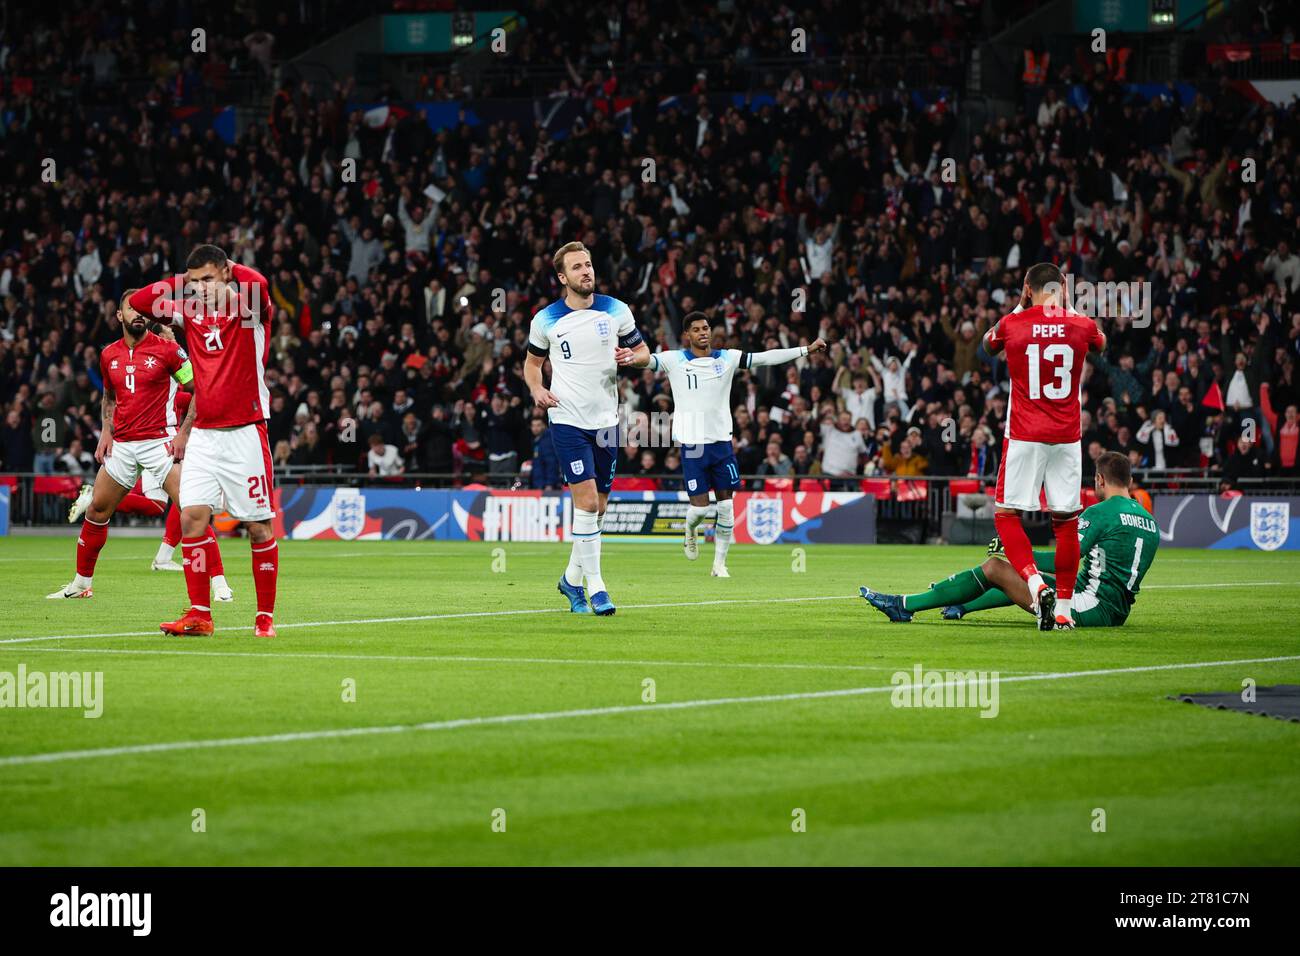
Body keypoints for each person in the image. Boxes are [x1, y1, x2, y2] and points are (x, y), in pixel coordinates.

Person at [129, 246, 279, 637]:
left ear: (228, 274)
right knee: (192, 518)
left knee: (258, 526)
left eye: (208, 279)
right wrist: (185, 282)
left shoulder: (249, 311)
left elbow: (260, 284)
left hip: (245, 430)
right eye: (194, 281)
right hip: (205, 435)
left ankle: (264, 619)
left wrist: (229, 271)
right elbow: (141, 301)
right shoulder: (191, 313)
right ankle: (199, 615)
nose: (201, 288)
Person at [46, 292, 231, 601]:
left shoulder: (168, 350)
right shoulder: (109, 355)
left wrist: (183, 433)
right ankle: (80, 584)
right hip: (123, 444)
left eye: (143, 308)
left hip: (161, 441)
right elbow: (109, 397)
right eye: (131, 308)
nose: (138, 314)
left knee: (192, 510)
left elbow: (197, 389)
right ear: (119, 315)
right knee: (97, 510)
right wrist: (106, 431)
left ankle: (219, 582)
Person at [623, 311, 824, 576]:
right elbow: (646, 361)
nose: (703, 332)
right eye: (696, 329)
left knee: (727, 505)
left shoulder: (727, 358)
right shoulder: (674, 359)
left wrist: (805, 350)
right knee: (700, 508)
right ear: (687, 335)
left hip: (721, 444)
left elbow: (764, 358)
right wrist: (628, 356)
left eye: (706, 328)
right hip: (693, 445)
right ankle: (690, 529)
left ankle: (719, 564)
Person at [860, 451, 1158, 628]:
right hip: (1112, 608)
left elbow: (1063, 559)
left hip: (1086, 607)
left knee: (996, 567)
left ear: (1100, 480)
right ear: (1129, 481)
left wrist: (1017, 551)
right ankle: (961, 605)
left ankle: (904, 605)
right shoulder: (1149, 521)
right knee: (1028, 578)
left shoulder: (1101, 512)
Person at [524, 241, 648, 615]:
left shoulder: (617, 311)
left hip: (607, 422)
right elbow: (531, 365)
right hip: (567, 418)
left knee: (599, 510)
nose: (586, 272)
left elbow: (643, 352)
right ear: (563, 277)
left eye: (589, 265)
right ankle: (597, 588)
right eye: (577, 267)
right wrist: (536, 390)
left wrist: (633, 358)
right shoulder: (546, 319)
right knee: (588, 503)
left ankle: (570, 580)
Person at [982, 262, 1106, 630]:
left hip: (1023, 434)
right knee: (1066, 523)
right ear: (1064, 289)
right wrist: (1064, 310)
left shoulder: (1011, 324)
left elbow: (986, 347)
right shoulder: (1080, 325)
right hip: (1066, 438)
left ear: (1026, 287)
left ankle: (1036, 586)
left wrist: (1022, 307)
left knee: (1006, 516)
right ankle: (1065, 609)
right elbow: (1102, 343)